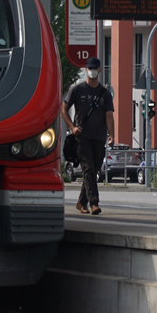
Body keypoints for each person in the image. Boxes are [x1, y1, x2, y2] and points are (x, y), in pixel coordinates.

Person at [62, 57, 115, 215]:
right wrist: (72, 127)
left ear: (99, 70)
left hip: (99, 138)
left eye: (94, 69)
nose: (92, 71)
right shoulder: (77, 89)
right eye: (89, 68)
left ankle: (81, 202)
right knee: (88, 170)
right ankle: (94, 203)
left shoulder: (105, 94)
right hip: (82, 138)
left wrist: (112, 135)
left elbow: (109, 116)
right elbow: (63, 110)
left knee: (92, 171)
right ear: (86, 70)